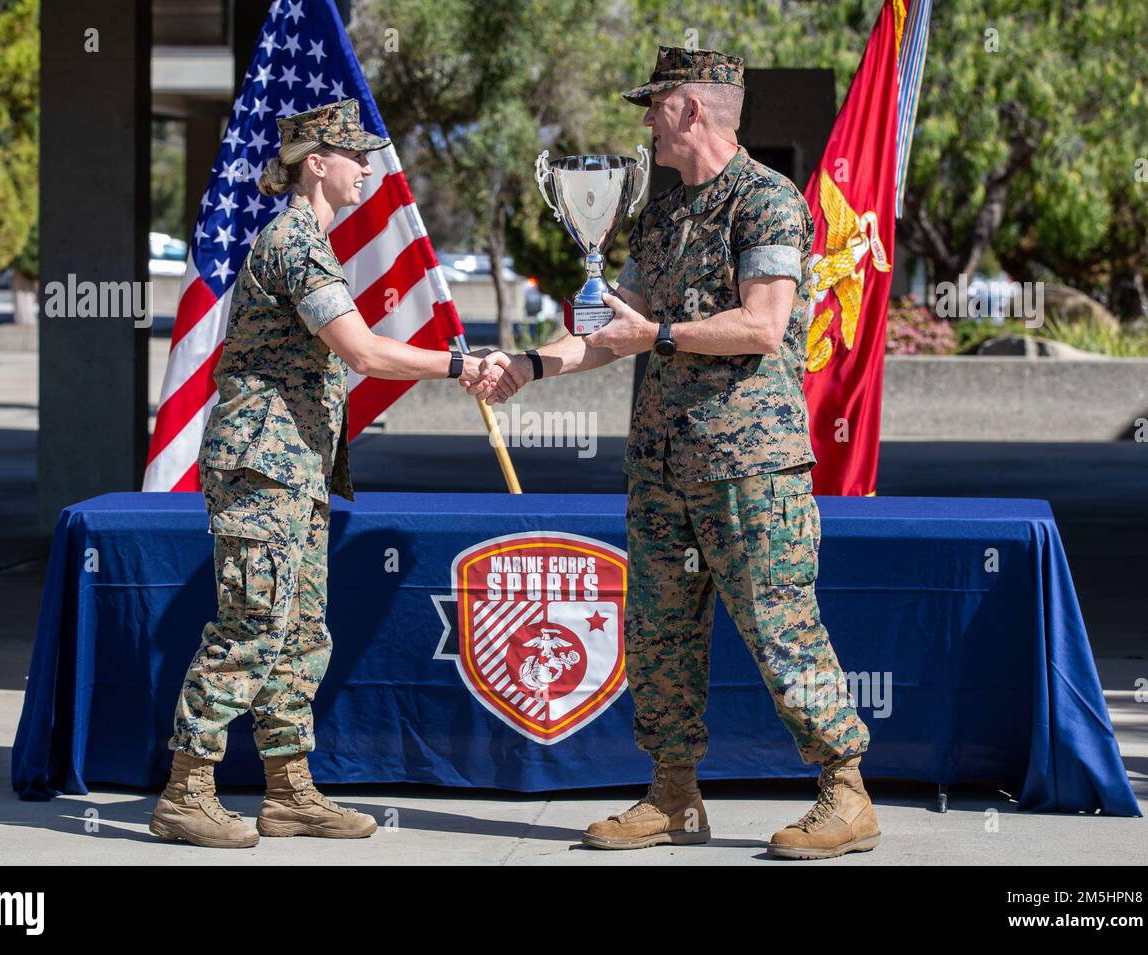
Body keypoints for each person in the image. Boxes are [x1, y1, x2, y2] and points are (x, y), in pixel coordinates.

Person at [478, 47, 879, 859]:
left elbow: (764, 325)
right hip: (662, 465)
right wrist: (529, 365)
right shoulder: (660, 214)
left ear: (691, 109)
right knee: (658, 633)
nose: (645, 121)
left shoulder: (768, 201)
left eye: (653, 105)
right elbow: (609, 330)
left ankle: (846, 790)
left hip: (749, 466)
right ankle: (672, 794)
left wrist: (656, 332)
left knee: (779, 624)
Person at [150, 99, 509, 849]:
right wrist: (459, 364)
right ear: (316, 162)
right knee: (253, 625)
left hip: (296, 469)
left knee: (302, 632)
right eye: (356, 156)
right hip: (263, 465)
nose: (368, 170)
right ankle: (186, 789)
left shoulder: (312, 240)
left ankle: (288, 792)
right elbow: (364, 352)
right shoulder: (293, 241)